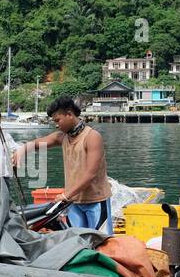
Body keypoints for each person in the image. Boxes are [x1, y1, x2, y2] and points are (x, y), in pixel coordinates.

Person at [11, 96, 112, 232]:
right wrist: (21, 150)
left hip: (96, 201)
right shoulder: (62, 137)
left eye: (58, 120)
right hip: (74, 202)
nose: (56, 125)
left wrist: (65, 195)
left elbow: (90, 174)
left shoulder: (92, 137)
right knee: (77, 242)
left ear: (69, 114)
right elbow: (38, 143)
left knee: (101, 242)